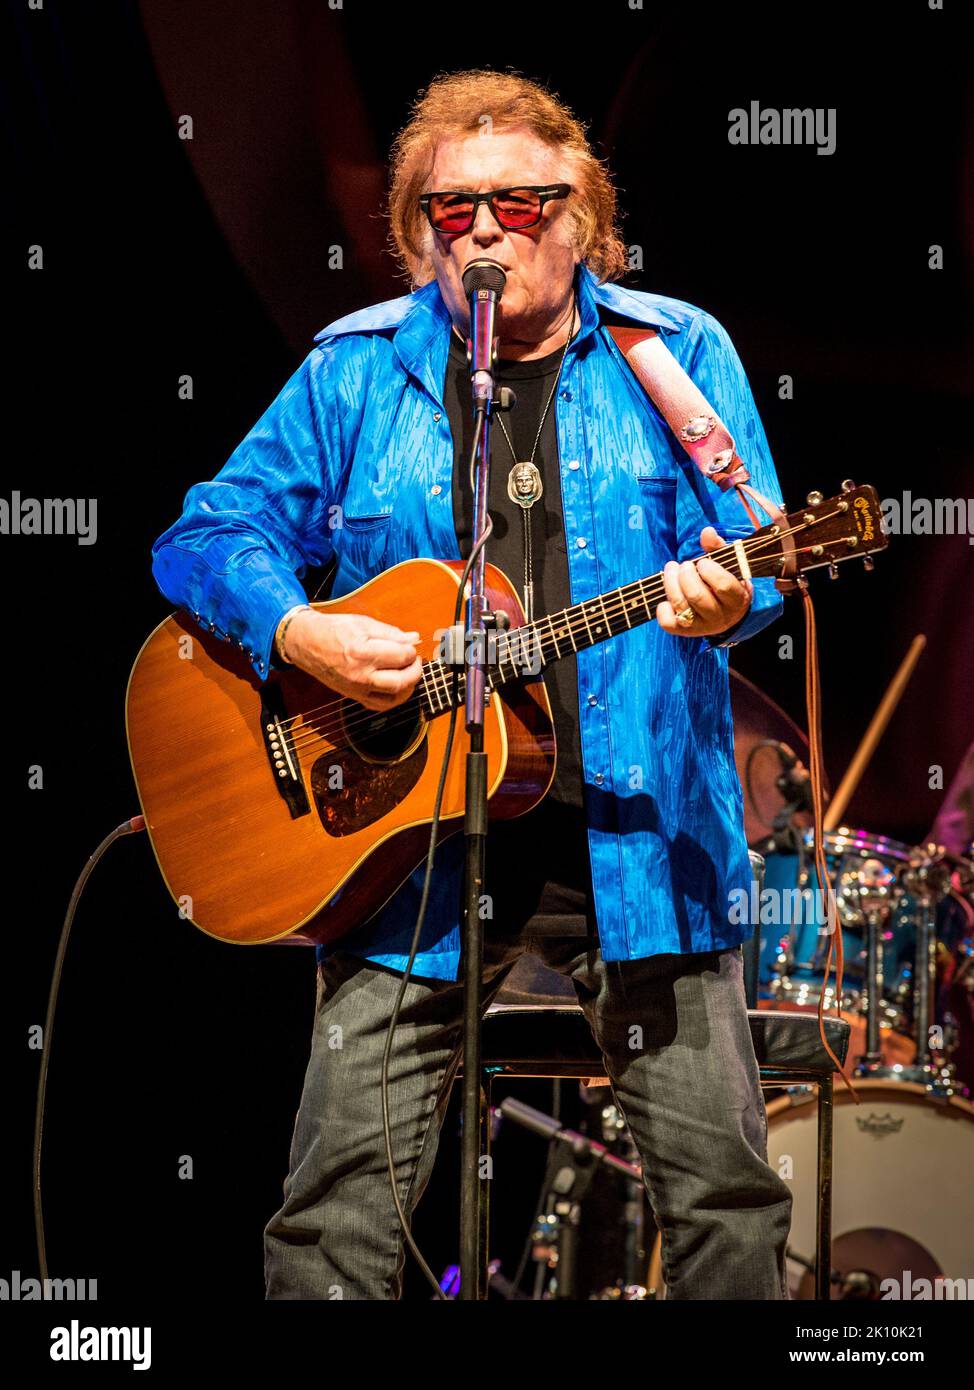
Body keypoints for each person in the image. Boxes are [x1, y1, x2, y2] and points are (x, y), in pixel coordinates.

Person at [151, 69, 794, 1300]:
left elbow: (754, 561)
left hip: (643, 846)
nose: (487, 229)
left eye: (522, 202)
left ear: (583, 218)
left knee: (723, 1210)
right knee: (331, 1217)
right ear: (414, 236)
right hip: (410, 857)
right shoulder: (352, 373)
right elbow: (200, 535)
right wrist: (299, 635)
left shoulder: (678, 352)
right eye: (452, 212)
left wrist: (736, 591)